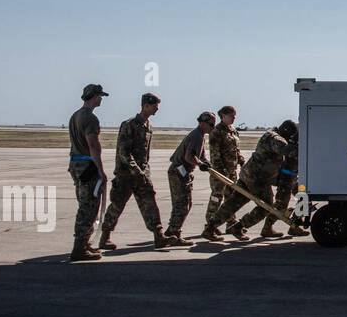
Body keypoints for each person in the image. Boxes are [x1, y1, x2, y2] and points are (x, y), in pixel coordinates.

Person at [202, 120, 297, 241]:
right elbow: (288, 151)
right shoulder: (276, 139)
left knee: (233, 203)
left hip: (248, 175)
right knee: (266, 206)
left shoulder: (270, 133)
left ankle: (209, 228)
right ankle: (239, 227)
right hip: (257, 179)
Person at [98, 93, 166, 250]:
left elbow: (145, 153)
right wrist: (136, 170)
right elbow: (124, 152)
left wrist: (144, 172)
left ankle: (159, 235)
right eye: (155, 106)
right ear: (146, 105)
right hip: (126, 175)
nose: (157, 109)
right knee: (117, 205)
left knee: (150, 204)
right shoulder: (129, 124)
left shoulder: (148, 126)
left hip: (142, 174)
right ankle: (105, 236)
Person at [67, 84, 109, 262]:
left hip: (75, 164)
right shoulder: (90, 119)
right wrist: (100, 169)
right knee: (89, 207)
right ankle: (79, 248)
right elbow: (93, 145)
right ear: (93, 96)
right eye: (100, 96)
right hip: (87, 166)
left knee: (85, 202)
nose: (101, 99)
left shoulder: (75, 115)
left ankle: (84, 243)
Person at [165, 112, 215, 245]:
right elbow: (189, 157)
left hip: (183, 171)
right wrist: (200, 165)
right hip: (179, 171)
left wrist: (206, 162)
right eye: (211, 124)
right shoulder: (196, 136)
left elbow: (200, 155)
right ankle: (175, 233)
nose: (212, 127)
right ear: (202, 123)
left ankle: (172, 230)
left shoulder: (201, 136)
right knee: (182, 204)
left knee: (185, 203)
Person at [259, 127, 309, 238]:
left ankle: (294, 226)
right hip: (287, 176)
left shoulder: (300, 136)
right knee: (281, 204)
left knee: (304, 199)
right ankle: (267, 228)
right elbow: (294, 154)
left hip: (294, 176)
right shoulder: (294, 141)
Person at [203, 105, 242, 233]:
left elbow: (236, 150)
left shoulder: (233, 131)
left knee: (231, 200)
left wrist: (241, 161)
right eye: (231, 115)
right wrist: (221, 171)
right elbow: (215, 154)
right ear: (223, 116)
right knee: (216, 197)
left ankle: (231, 224)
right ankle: (210, 223)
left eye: (234, 115)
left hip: (232, 172)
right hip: (220, 173)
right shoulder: (216, 132)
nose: (234, 118)